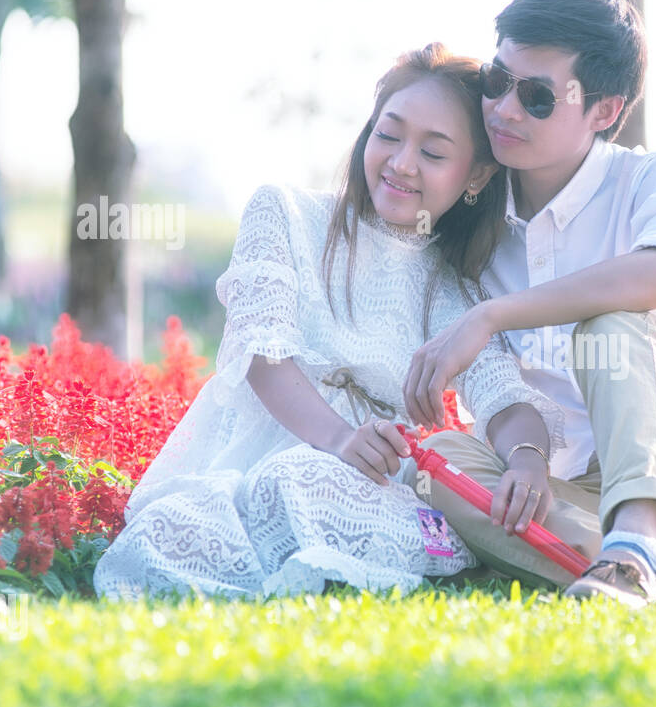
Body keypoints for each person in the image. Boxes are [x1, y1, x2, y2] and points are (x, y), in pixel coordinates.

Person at [93, 43, 563, 600]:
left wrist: (528, 461)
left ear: (477, 175)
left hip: (374, 478)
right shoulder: (285, 213)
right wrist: (340, 439)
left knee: (324, 488)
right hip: (272, 452)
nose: (401, 163)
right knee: (207, 515)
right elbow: (263, 353)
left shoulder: (454, 290)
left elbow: (504, 398)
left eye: (433, 153)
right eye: (388, 135)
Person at [398, 0, 656, 609]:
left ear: (605, 111)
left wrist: (493, 315)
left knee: (612, 325)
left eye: (537, 96)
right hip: (588, 494)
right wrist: (525, 457)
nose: (504, 109)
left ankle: (636, 549)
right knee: (437, 463)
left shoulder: (655, 176)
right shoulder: (472, 227)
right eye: (496, 80)